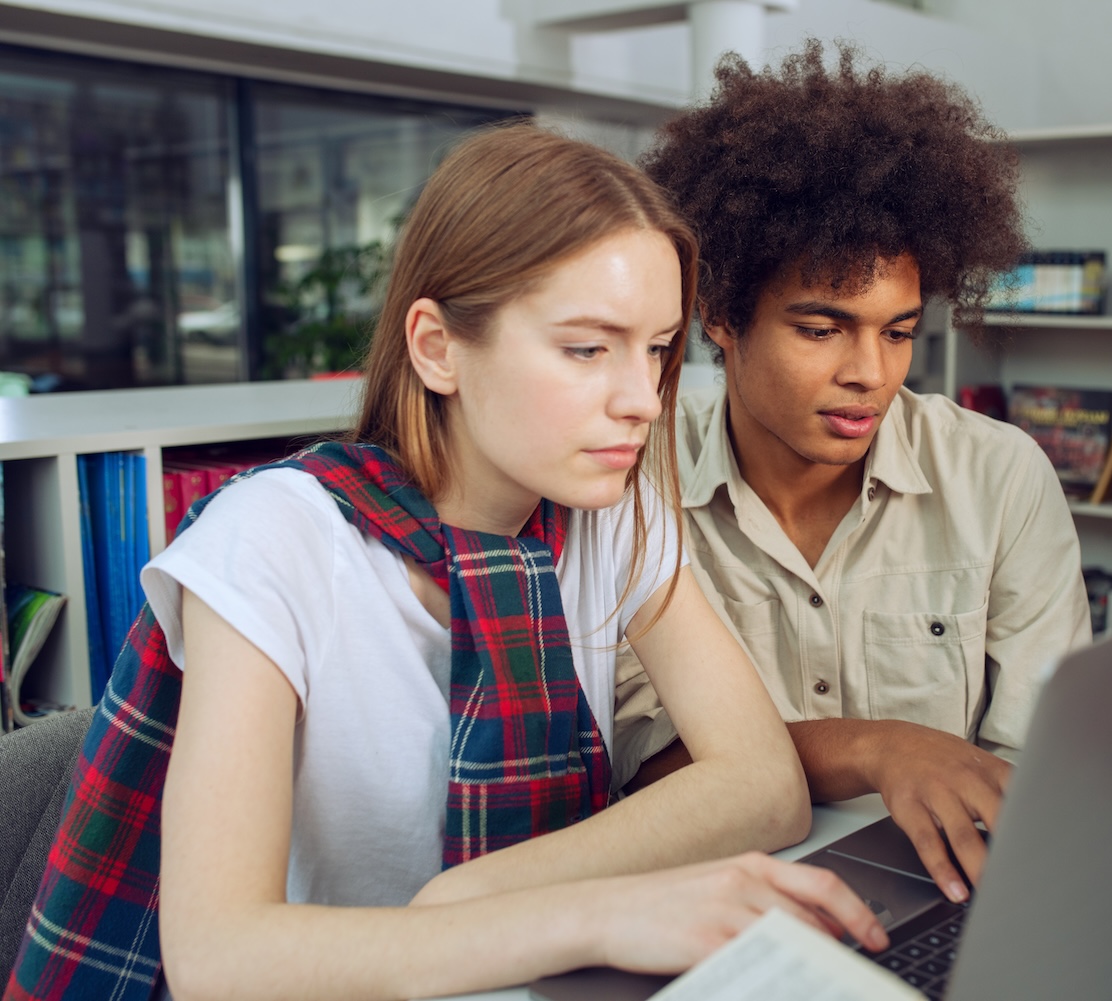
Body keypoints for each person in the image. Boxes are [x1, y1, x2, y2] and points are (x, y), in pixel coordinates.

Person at [4, 125, 887, 1001]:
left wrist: (472, 895)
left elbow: (765, 784)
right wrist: (592, 911)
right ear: (437, 347)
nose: (640, 400)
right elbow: (218, 957)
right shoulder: (273, 540)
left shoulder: (611, 517)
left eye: (656, 350)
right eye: (587, 347)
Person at [616, 41, 1092, 905]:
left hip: (945, 888)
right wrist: (876, 745)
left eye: (899, 330)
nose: (871, 373)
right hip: (712, 897)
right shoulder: (631, 479)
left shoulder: (998, 476)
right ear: (719, 313)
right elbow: (645, 769)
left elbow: (1035, 760)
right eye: (821, 328)